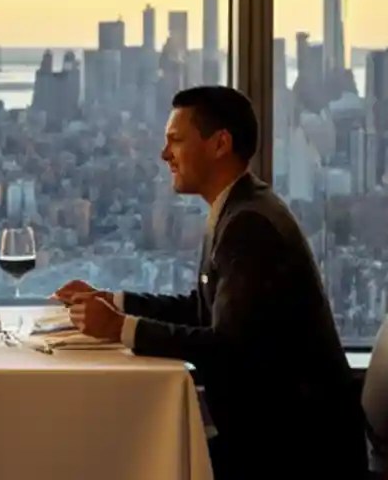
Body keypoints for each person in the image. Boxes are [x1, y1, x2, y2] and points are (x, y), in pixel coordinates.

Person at [54, 86, 366, 479]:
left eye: (176, 141)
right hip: (281, 433)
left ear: (220, 144)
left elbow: (230, 348)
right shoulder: (240, 206)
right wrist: (116, 302)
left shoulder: (249, 223)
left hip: (293, 451)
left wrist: (120, 329)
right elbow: (205, 309)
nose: (164, 155)